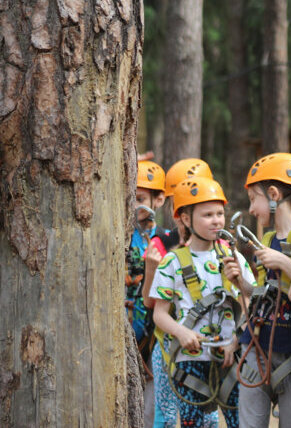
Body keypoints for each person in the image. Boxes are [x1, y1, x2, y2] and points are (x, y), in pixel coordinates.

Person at [150, 176, 254, 428]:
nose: (217, 220)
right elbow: (160, 314)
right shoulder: (172, 262)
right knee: (193, 423)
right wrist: (181, 333)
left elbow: (249, 302)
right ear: (186, 219)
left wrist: (236, 339)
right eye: (207, 214)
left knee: (240, 420)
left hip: (230, 357)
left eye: (220, 213)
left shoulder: (232, 256)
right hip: (190, 361)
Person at [237, 153, 291, 428]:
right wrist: (241, 284)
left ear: (273, 194)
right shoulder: (267, 239)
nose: (250, 210)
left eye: (253, 199)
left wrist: (285, 262)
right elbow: (264, 294)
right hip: (257, 348)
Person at [142, 158, 219, 428]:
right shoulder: (162, 242)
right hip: (170, 346)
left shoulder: (219, 245)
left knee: (206, 414)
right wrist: (151, 269)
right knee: (166, 415)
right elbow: (150, 303)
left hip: (209, 345)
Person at [128, 160, 168, 427]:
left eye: (140, 198)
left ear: (159, 199)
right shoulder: (118, 235)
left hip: (156, 335)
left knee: (152, 411)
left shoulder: (168, 240)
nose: (134, 205)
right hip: (125, 327)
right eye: (131, 197)